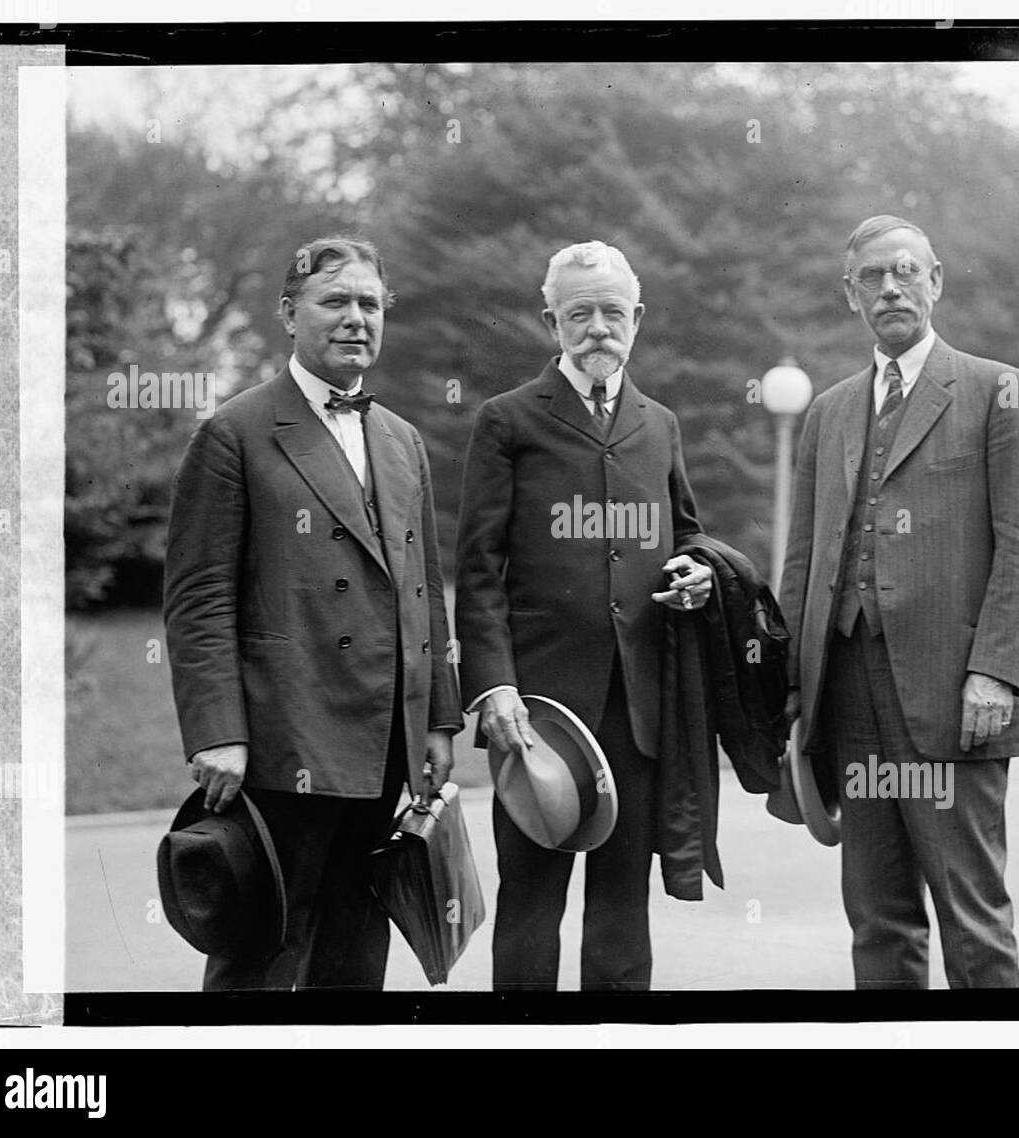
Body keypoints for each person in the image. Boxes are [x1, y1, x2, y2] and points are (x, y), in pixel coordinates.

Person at [163, 234, 463, 991]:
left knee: (356, 958)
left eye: (370, 303)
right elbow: (198, 600)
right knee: (263, 951)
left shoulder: (402, 441)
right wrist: (217, 732)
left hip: (384, 743)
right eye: (335, 302)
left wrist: (437, 720)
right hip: (281, 738)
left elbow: (425, 588)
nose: (356, 318)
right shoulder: (233, 432)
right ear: (290, 315)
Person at [778, 215, 1019, 988]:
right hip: (849, 698)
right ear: (850, 296)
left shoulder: (996, 390)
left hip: (955, 695)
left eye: (907, 271)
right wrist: (796, 694)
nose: (891, 287)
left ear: (936, 281)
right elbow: (803, 562)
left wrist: (998, 673)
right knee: (878, 920)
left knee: (971, 919)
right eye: (872, 277)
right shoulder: (830, 412)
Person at [454, 240, 713, 990]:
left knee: (622, 913)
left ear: (637, 318)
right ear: (550, 321)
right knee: (531, 907)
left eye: (611, 313)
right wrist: (494, 687)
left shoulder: (659, 423)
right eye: (579, 314)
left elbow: (687, 530)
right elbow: (477, 572)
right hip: (537, 713)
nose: (598, 328)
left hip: (637, 708)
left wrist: (695, 569)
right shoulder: (507, 422)